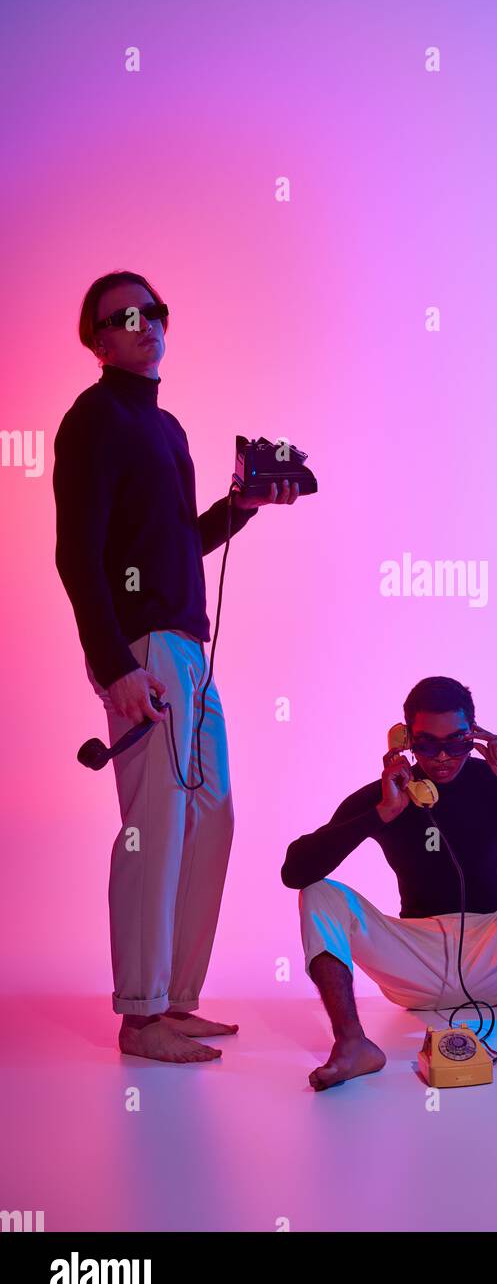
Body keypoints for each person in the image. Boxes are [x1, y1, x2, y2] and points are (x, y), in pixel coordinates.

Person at [54, 269, 302, 1063]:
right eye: (121, 317)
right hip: (145, 650)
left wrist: (244, 506)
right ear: (96, 340)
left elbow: (175, 545)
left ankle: (175, 999)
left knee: (210, 817)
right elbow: (76, 554)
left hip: (189, 649)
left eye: (152, 311)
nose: (142, 324)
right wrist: (111, 666)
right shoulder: (93, 420)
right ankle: (139, 1014)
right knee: (153, 826)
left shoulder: (165, 429)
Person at [282, 676, 497, 1090]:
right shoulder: (386, 796)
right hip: (412, 962)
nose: (442, 756)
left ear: (475, 736)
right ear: (405, 743)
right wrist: (381, 814)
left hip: (495, 952)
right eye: (426, 744)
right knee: (317, 892)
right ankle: (351, 1044)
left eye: (456, 743)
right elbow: (294, 871)